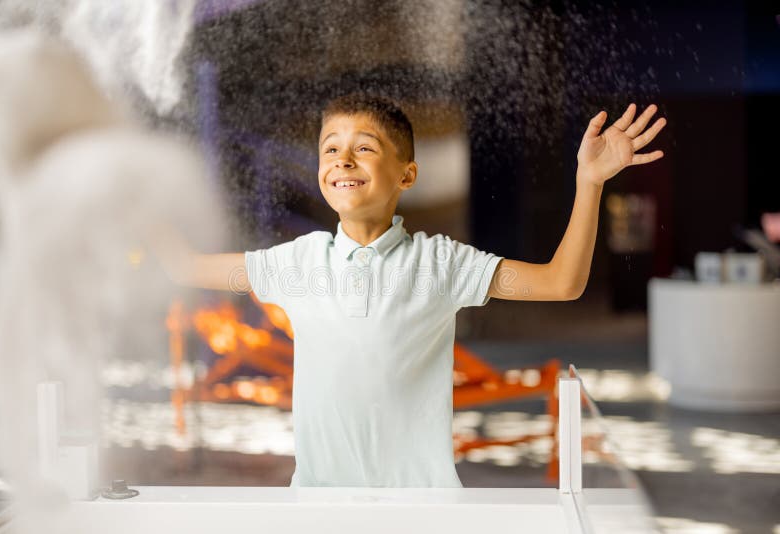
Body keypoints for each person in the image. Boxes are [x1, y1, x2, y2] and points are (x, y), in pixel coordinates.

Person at [160, 94, 666, 487]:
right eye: (330, 148)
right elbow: (182, 265)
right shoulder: (295, 262)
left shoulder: (440, 262)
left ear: (407, 174)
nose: (343, 159)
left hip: (423, 502)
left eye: (364, 148)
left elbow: (561, 283)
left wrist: (589, 181)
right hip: (318, 500)